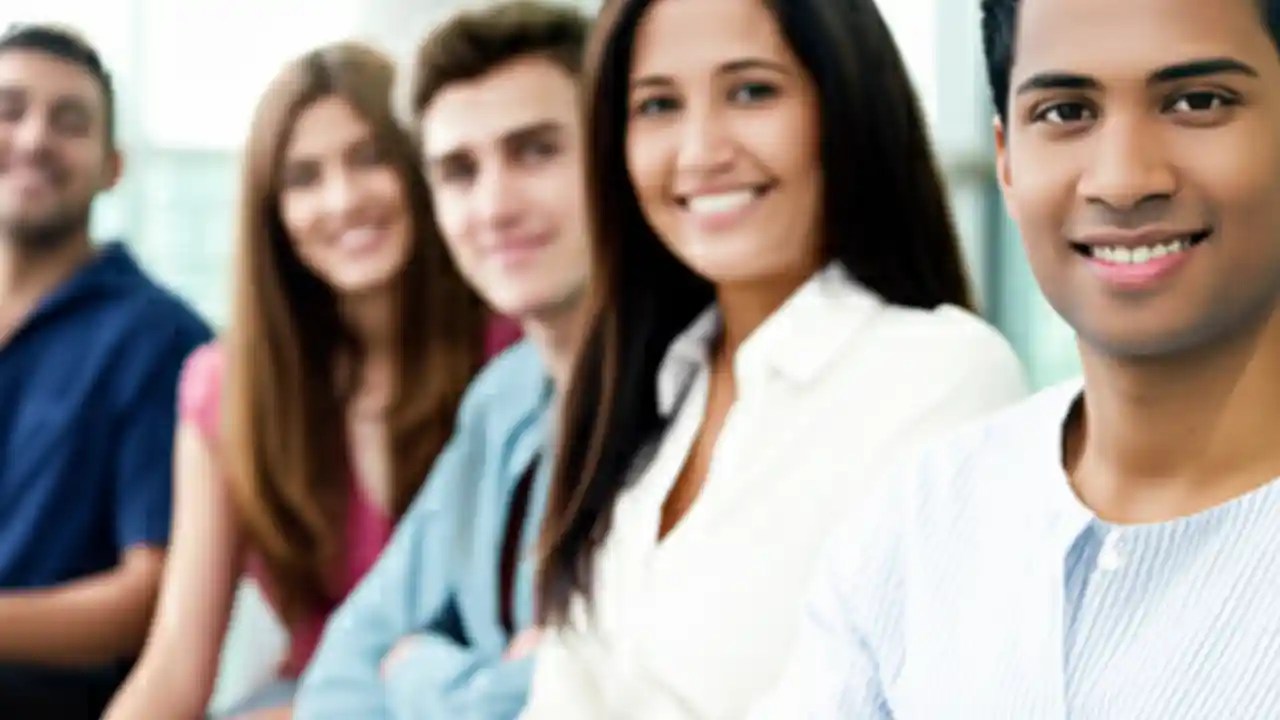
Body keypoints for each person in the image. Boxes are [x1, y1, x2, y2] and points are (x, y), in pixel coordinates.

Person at [753, 0, 1280, 716]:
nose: (1122, 180)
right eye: (1066, 112)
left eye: (1197, 101)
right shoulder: (920, 520)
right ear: (1005, 158)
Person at [518, 0, 1029, 717]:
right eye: (658, 105)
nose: (700, 151)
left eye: (752, 91)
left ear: (846, 104)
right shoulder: (640, 395)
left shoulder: (938, 376)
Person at [103, 42, 491, 720]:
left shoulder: (510, 348)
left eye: (370, 158)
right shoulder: (224, 387)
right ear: (271, 211)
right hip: (309, 701)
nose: (342, 200)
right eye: (303, 177)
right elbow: (175, 667)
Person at [294, 3, 592, 718]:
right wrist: (489, 681)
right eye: (459, 171)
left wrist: (424, 677)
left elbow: (594, 701)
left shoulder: (699, 393)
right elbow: (346, 666)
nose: (494, 207)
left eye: (536, 151)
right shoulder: (506, 397)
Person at [0, 23, 213, 719]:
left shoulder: (160, 339)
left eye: (70, 122)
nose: (33, 139)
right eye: (10, 110)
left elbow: (150, 596)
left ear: (112, 166)